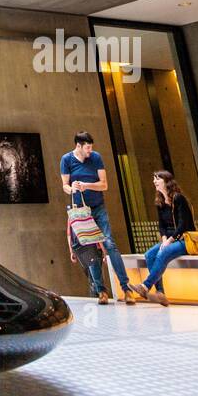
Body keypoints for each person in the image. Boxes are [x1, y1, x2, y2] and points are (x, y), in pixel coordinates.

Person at [60, 130, 144, 303]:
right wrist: (73, 188)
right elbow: (64, 186)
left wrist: (86, 185)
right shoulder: (66, 160)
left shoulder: (96, 158)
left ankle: (125, 288)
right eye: (87, 148)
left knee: (109, 244)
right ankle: (101, 291)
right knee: (91, 250)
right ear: (78, 146)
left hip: (98, 207)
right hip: (82, 211)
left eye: (91, 147)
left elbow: (104, 185)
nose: (90, 151)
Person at [133, 171, 195, 303]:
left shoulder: (178, 198)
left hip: (184, 239)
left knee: (163, 251)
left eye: (157, 178)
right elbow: (162, 226)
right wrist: (164, 239)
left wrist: (170, 241)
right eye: (153, 178)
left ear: (166, 181)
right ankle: (160, 292)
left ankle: (145, 286)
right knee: (149, 254)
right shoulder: (160, 202)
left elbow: (183, 225)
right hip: (170, 240)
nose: (154, 181)